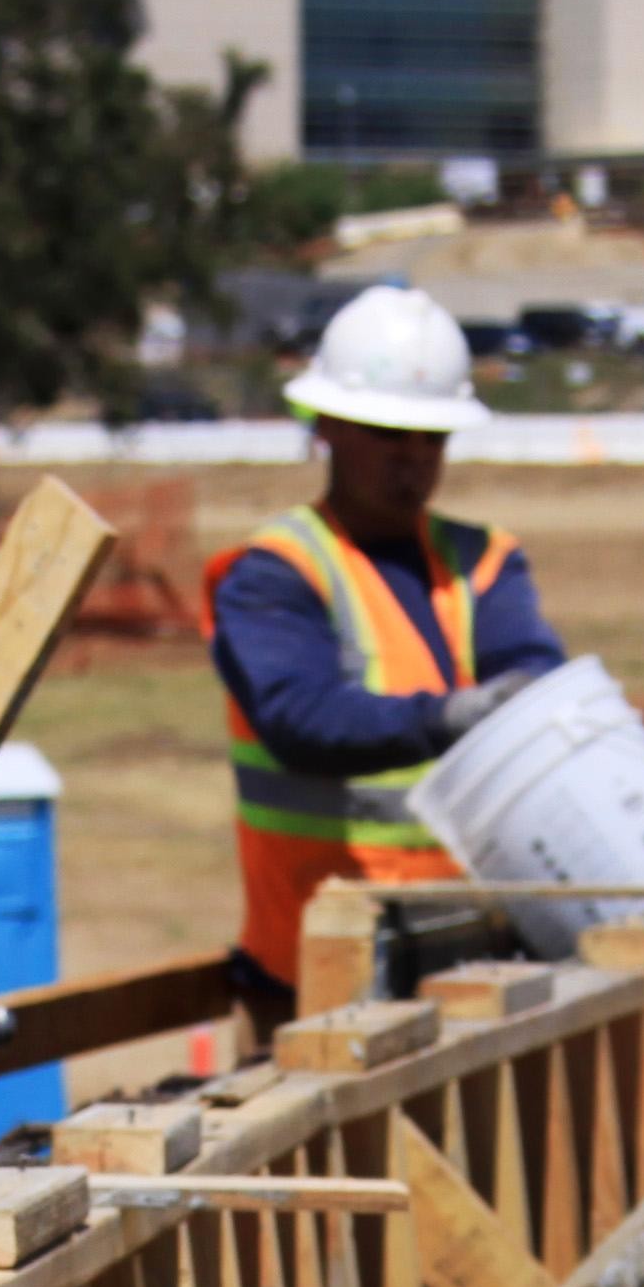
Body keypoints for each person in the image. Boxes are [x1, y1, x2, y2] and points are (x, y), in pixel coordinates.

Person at [205, 285, 570, 1011]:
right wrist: (453, 716)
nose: (412, 461)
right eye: (388, 436)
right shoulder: (276, 574)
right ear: (328, 427)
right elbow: (302, 720)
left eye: (430, 440)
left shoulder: (483, 562)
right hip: (318, 970)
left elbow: (533, 683)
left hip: (469, 958)